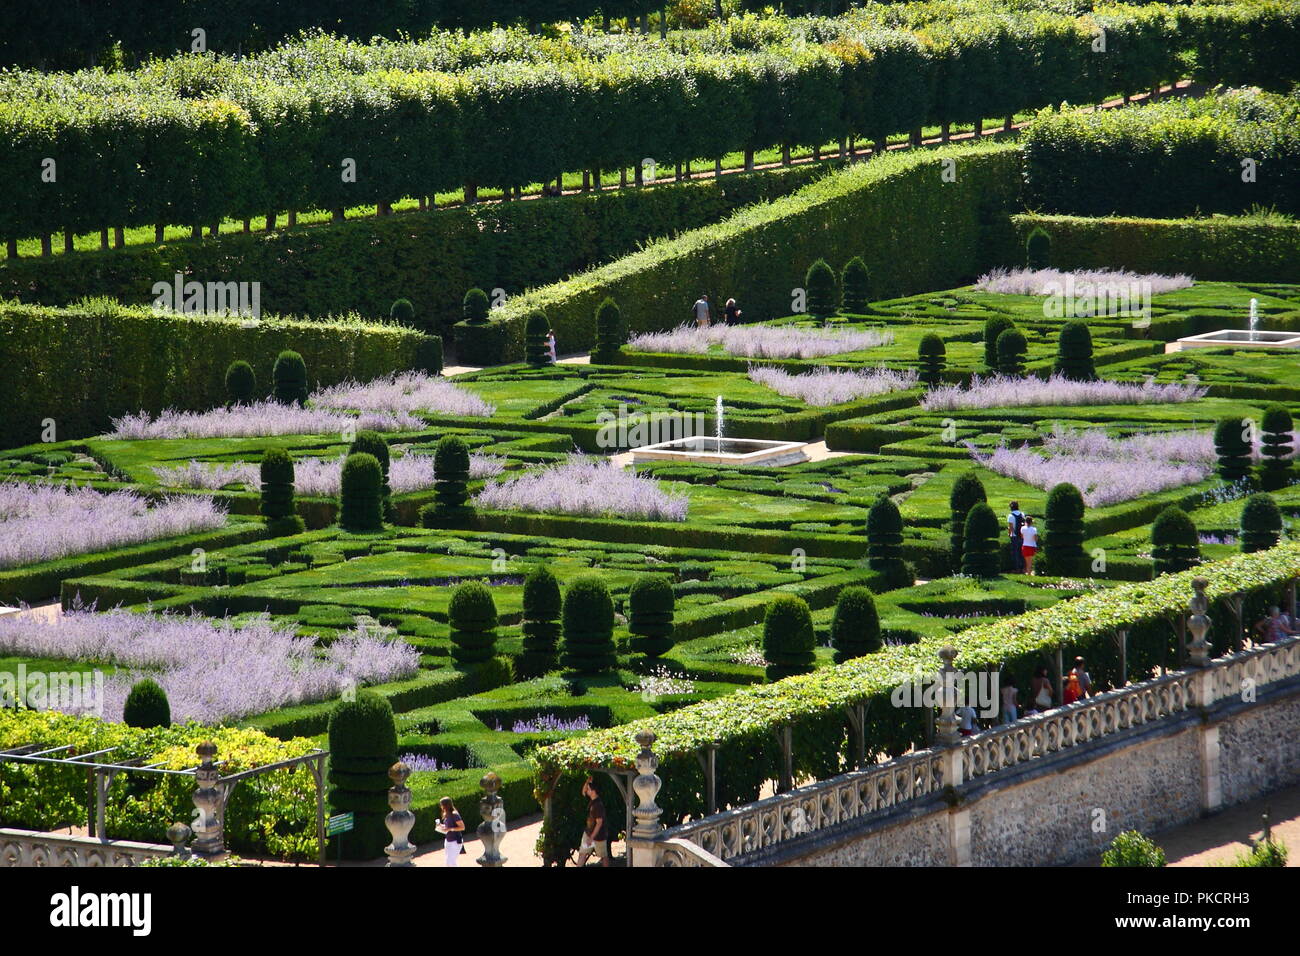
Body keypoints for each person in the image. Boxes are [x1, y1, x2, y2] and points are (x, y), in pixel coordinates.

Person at [576, 777, 609, 867]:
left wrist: (592, 837)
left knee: (603, 857)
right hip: (588, 833)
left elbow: (599, 823)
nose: (586, 790)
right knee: (582, 854)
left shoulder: (598, 805)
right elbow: (583, 792)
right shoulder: (591, 800)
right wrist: (587, 782)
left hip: (599, 836)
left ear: (593, 791)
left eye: (589, 789)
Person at [435, 796, 465, 866]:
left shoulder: (454, 814)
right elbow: (448, 826)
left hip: (455, 841)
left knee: (450, 862)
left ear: (445, 805)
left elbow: (462, 827)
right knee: (448, 862)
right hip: (448, 840)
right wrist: (441, 826)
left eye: (441, 805)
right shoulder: (446, 814)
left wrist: (449, 829)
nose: (441, 806)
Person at [1007, 500, 1026, 573]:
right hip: (1021, 535)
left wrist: (1009, 534)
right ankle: (1023, 568)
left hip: (1014, 536)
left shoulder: (1010, 516)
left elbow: (1011, 527)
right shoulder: (1022, 514)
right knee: (1021, 552)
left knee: (1015, 553)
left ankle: (1016, 569)